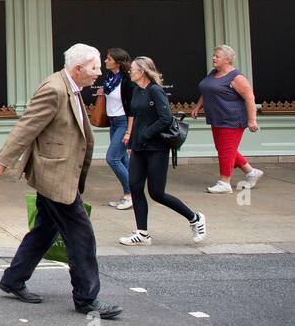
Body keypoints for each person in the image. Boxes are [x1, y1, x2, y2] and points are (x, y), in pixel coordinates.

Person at [0, 43, 122, 319]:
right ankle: (87, 299)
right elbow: (27, 126)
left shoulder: (70, 87)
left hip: (60, 174)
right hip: (55, 176)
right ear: (78, 68)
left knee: (45, 231)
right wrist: (3, 161)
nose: (98, 73)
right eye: (94, 68)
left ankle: (13, 278)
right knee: (81, 236)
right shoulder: (54, 89)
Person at [118, 56, 203, 246]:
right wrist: (131, 138)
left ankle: (195, 218)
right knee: (135, 186)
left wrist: (146, 133)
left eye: (132, 68)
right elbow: (135, 116)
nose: (129, 71)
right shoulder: (137, 91)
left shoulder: (155, 91)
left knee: (157, 192)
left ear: (143, 71)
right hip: (139, 148)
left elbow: (165, 118)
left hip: (156, 148)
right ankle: (142, 233)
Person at [189, 45, 263, 194]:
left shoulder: (237, 78)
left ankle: (224, 182)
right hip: (216, 118)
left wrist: (252, 120)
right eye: (214, 55)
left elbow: (249, 98)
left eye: (217, 56)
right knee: (224, 149)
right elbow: (207, 90)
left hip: (232, 119)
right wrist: (198, 107)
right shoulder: (213, 73)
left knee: (225, 150)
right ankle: (251, 172)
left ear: (228, 60)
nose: (213, 58)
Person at [98, 47, 135, 211]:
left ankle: (130, 194)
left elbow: (132, 108)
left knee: (112, 158)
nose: (105, 61)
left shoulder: (126, 81)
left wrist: (128, 131)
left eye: (109, 59)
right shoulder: (110, 79)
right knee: (122, 159)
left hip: (123, 122)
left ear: (118, 62)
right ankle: (133, 193)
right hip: (113, 122)